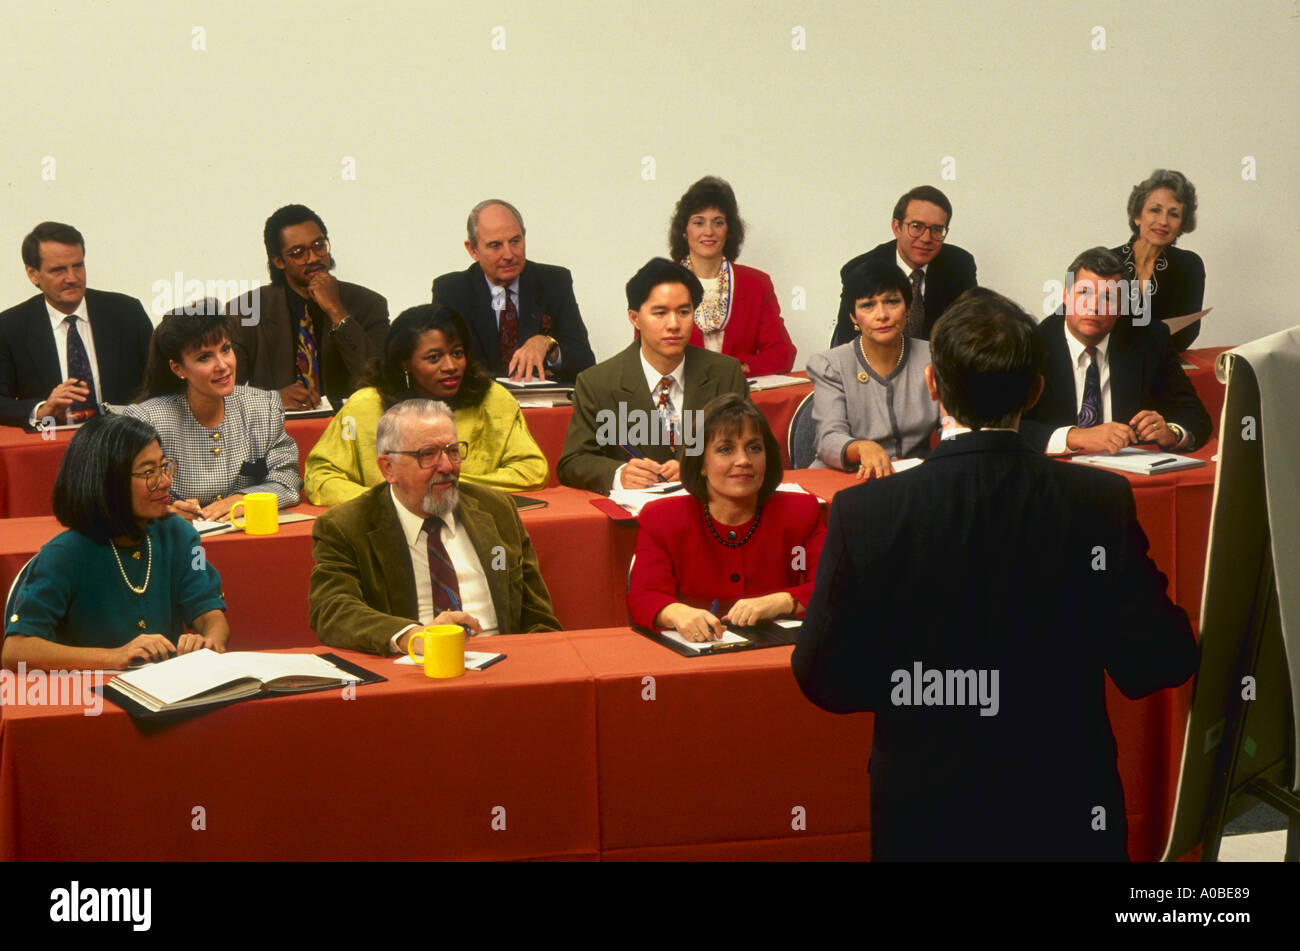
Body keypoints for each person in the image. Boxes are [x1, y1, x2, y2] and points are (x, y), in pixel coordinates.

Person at [792, 289, 1199, 861]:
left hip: (925, 808)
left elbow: (822, 676)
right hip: (1064, 806)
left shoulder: (869, 512)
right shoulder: (1098, 501)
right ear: (1035, 390)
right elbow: (1158, 659)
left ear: (932, 385)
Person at [309, 399, 560, 654]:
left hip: (503, 668)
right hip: (413, 670)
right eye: (427, 454)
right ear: (388, 468)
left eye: (453, 451)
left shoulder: (497, 510)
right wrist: (414, 636)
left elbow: (538, 617)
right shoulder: (347, 526)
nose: (448, 466)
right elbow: (332, 609)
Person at [3, 414, 228, 671]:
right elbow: (15, 651)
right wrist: (116, 657)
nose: (165, 481)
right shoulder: (64, 554)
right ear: (109, 483)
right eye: (148, 473)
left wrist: (209, 643)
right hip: (90, 699)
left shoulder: (182, 535)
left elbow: (211, 612)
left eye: (164, 467)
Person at [303, 304, 547, 506]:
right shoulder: (365, 407)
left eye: (458, 353)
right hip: (385, 530)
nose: (451, 365)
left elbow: (532, 470)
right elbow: (320, 478)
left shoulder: (492, 399)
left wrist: (448, 488)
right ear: (404, 362)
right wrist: (391, 502)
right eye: (434, 357)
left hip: (475, 522)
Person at [628, 394, 824, 641]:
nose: (743, 460)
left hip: (781, 655)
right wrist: (677, 613)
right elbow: (644, 596)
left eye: (754, 448)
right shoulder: (663, 519)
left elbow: (832, 585)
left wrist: (782, 601)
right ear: (700, 463)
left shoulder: (798, 512)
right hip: (696, 661)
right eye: (725, 449)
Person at [557, 258, 749, 494]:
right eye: (660, 313)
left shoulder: (725, 373)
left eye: (684, 312)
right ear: (634, 318)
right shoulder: (597, 382)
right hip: (635, 517)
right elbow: (573, 461)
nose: (674, 324)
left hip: (708, 507)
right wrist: (619, 474)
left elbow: (751, 450)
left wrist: (699, 467)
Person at [1022, 247, 1212, 455]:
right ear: (1065, 296)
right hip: (1058, 473)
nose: (1094, 307)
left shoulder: (1150, 339)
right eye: (1084, 293)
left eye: (1108, 298)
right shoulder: (1032, 344)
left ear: (1121, 306)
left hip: (1127, 469)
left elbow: (1195, 415)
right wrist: (1075, 437)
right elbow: (1005, 427)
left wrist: (1172, 432)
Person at [122, 308, 301, 521]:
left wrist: (242, 499)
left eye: (226, 349)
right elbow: (120, 495)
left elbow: (288, 480)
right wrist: (162, 512)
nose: (223, 365)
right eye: (204, 357)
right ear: (178, 368)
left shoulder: (263, 407)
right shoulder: (147, 420)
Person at [229, 204, 389, 410]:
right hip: (275, 431)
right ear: (278, 261)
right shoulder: (246, 311)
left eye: (318, 245)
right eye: (298, 252)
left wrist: (337, 311)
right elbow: (223, 393)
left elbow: (383, 380)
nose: (313, 257)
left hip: (349, 428)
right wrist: (271, 400)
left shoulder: (369, 304)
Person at [0, 221, 153, 428]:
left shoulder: (126, 312)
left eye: (78, 266)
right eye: (58, 270)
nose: (72, 278)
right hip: (49, 445)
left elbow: (160, 381)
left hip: (123, 442)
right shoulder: (9, 327)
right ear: (33, 274)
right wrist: (42, 409)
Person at [431, 199, 595, 382]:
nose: (509, 255)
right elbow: (443, 366)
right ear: (473, 250)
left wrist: (548, 346)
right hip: (479, 402)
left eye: (515, 241)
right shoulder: (451, 291)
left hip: (541, 403)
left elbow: (585, 362)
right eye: (496, 245)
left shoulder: (554, 282)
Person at [808, 260, 940, 478]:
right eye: (868, 305)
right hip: (849, 477)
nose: (882, 315)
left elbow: (953, 427)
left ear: (908, 308)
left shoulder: (934, 356)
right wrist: (860, 447)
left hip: (914, 478)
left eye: (892, 302)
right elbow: (828, 438)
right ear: (853, 316)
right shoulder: (830, 365)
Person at [667, 176, 796, 375]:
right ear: (684, 230)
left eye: (718, 223)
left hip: (738, 397)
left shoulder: (756, 284)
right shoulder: (661, 285)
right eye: (699, 222)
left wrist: (737, 368)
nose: (709, 232)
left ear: (730, 230)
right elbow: (645, 355)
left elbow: (782, 353)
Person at [831, 185, 977, 346]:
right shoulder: (861, 269)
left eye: (937, 229)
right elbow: (846, 343)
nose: (926, 238)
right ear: (896, 227)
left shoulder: (959, 265)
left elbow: (970, 334)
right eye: (916, 227)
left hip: (939, 366)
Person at [1112, 169, 1205, 350]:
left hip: (1161, 366)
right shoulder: (1105, 261)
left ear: (1182, 224)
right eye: (1155, 210)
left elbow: (1187, 333)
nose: (1163, 221)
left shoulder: (1189, 266)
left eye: (1174, 214)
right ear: (1137, 216)